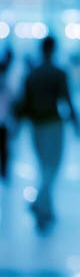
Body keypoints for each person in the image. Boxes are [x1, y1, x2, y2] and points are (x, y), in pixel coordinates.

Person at [17, 36, 80, 232]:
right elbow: (67, 99)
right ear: (54, 49)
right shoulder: (58, 73)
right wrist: (76, 122)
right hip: (53, 124)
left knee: (44, 166)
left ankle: (46, 209)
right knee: (51, 167)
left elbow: (24, 103)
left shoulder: (32, 74)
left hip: (36, 125)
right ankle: (40, 203)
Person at [0, 49, 14, 182]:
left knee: (4, 150)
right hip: (4, 123)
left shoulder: (7, 87)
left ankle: (4, 173)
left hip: (4, 124)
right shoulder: (6, 87)